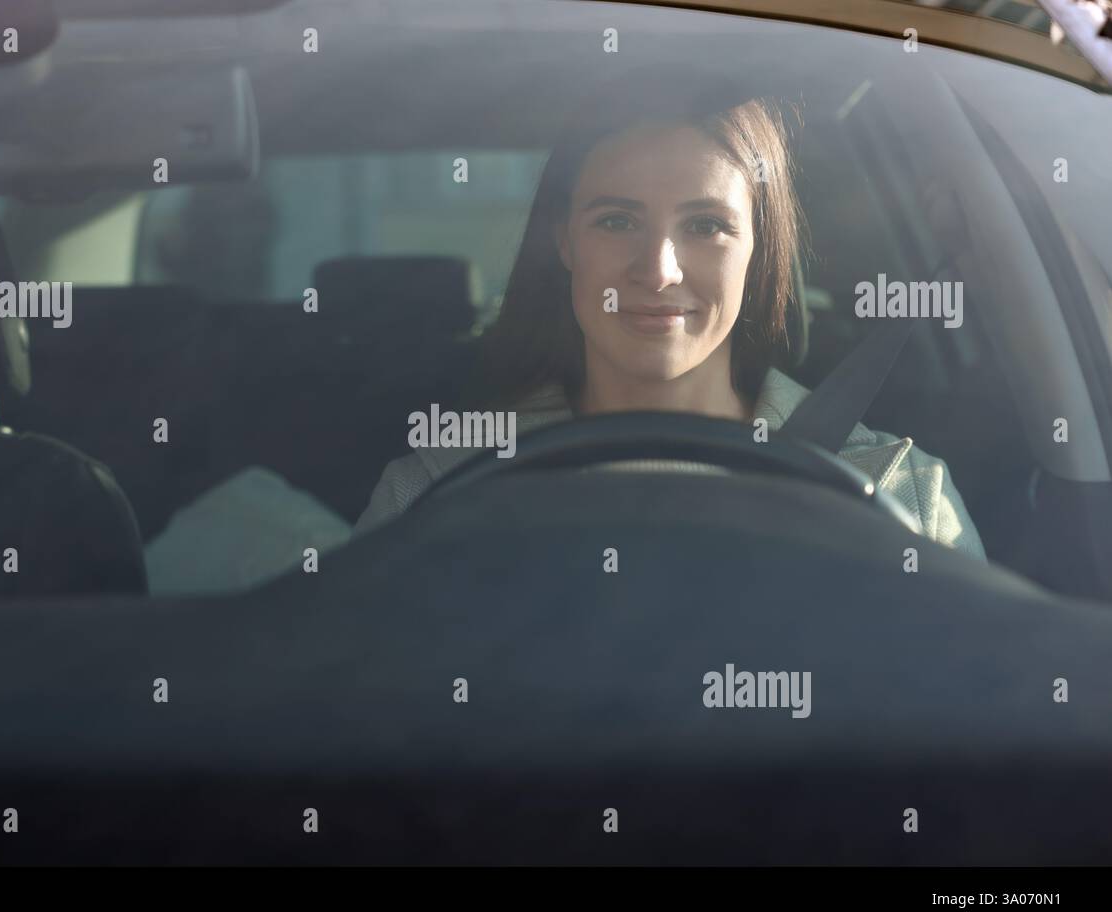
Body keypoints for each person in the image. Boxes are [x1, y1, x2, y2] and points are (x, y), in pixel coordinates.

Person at [354, 76, 985, 558]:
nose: (658, 271)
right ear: (564, 242)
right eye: (617, 221)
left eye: (705, 225)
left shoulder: (902, 497)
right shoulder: (435, 494)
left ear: (758, 249)